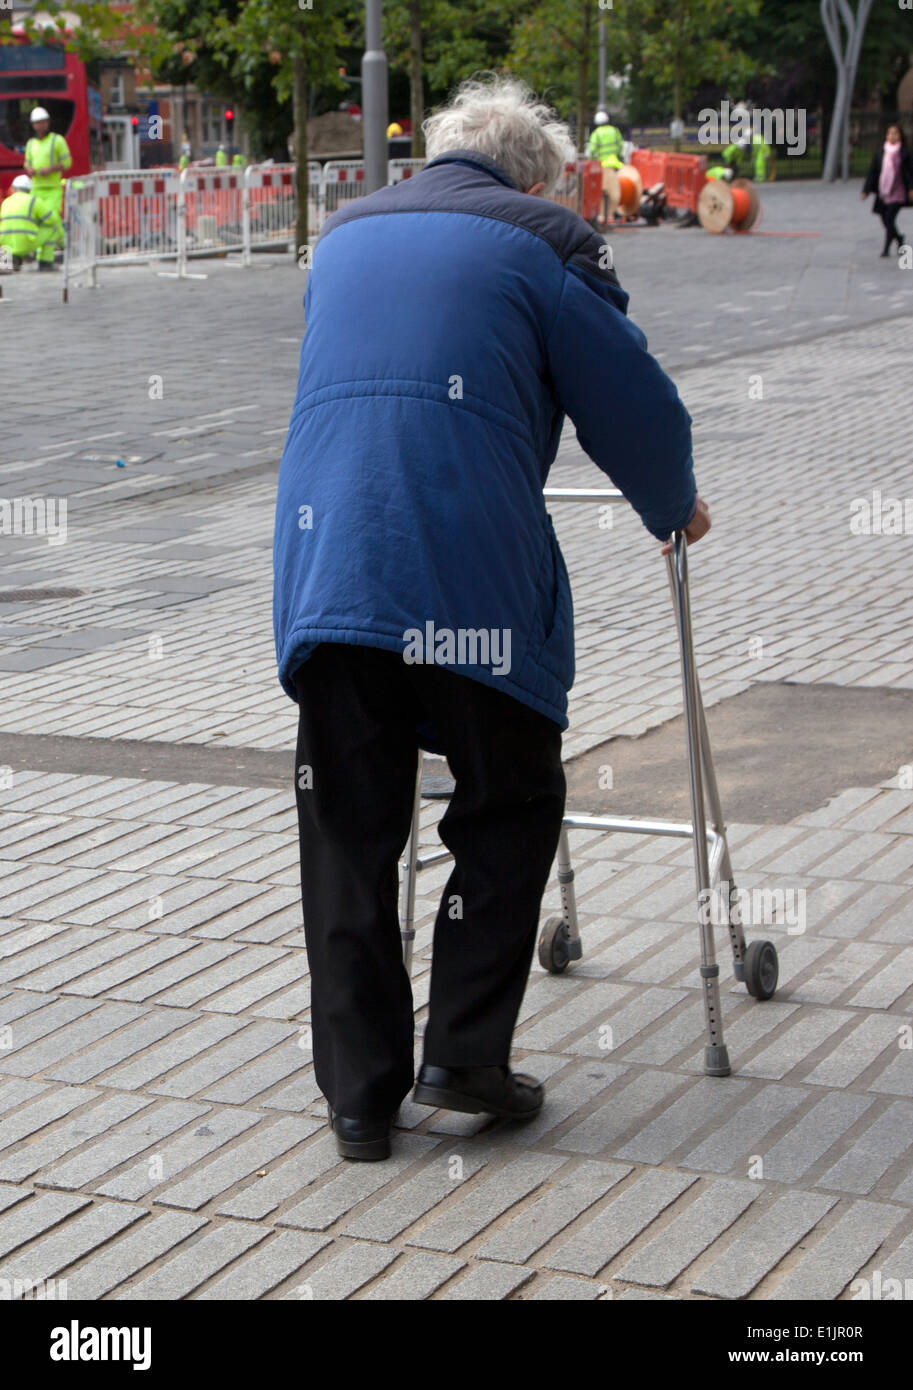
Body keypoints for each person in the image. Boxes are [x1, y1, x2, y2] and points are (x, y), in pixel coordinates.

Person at [272, 74, 710, 1162]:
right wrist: (673, 505)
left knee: (348, 831)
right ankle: (464, 1057)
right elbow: (633, 398)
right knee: (508, 799)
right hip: (464, 573)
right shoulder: (546, 238)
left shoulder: (346, 234)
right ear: (534, 174)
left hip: (330, 571)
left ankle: (359, 1102)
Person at [862, 123, 913, 257]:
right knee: (884, 219)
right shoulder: (880, 152)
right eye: (889, 133)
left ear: (900, 136)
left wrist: (911, 189)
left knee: (889, 219)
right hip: (883, 192)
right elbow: (873, 172)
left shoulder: (905, 153)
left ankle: (886, 249)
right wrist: (866, 190)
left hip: (898, 192)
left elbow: (910, 173)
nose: (892, 136)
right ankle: (899, 238)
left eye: (895, 133)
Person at [0, 173, 65, 272]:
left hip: (5, 246)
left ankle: (12, 259)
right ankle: (45, 263)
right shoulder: (33, 201)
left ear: (13, 188)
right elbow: (52, 220)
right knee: (52, 228)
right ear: (29, 190)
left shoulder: (6, 202)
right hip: (25, 243)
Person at [24, 106, 71, 223]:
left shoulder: (57, 140)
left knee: (52, 219)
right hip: (35, 189)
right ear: (33, 125)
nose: (40, 125)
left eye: (43, 122)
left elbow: (67, 162)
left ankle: (56, 241)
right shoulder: (30, 143)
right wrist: (29, 169)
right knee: (36, 220)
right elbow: (26, 163)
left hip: (53, 189)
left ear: (48, 123)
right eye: (37, 123)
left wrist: (50, 169)